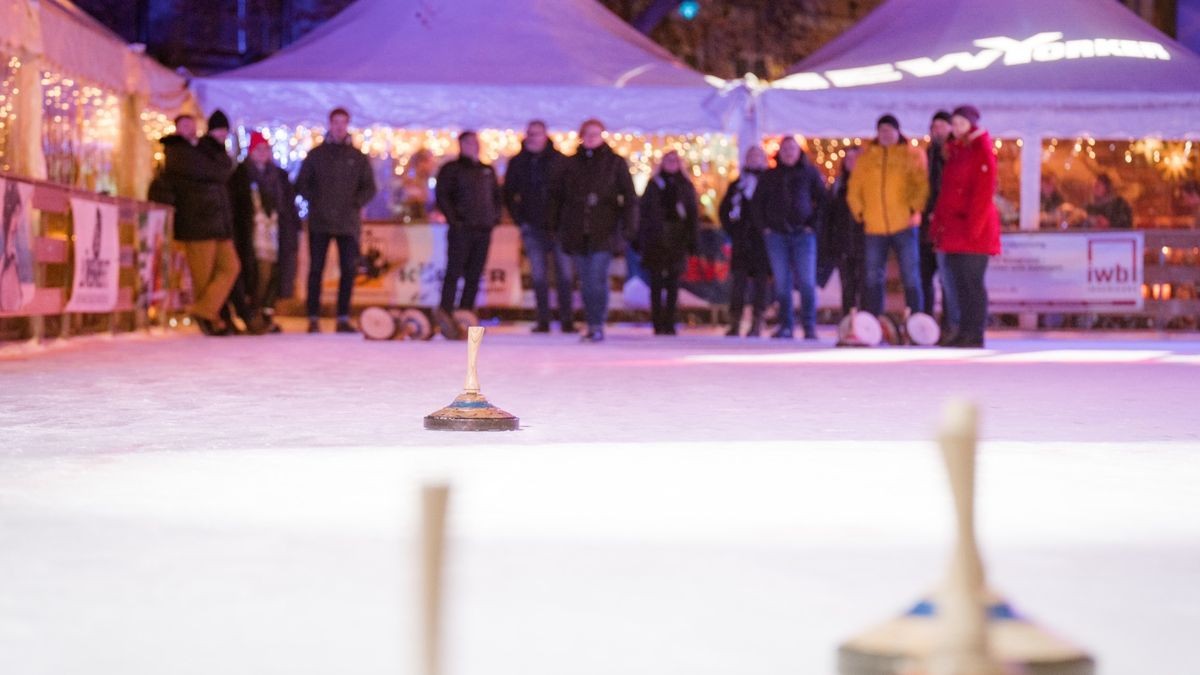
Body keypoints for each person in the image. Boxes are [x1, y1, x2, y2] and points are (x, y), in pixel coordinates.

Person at [547, 118, 638, 343]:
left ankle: (596, 323)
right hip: (576, 231)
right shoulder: (569, 164)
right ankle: (591, 322)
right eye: (587, 134)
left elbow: (629, 197)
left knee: (597, 278)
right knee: (586, 280)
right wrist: (555, 226)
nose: (591, 138)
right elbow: (556, 197)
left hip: (604, 231)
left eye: (596, 134)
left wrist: (627, 228)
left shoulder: (614, 163)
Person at [152, 113, 240, 335]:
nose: (189, 129)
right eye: (184, 125)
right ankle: (210, 319)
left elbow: (224, 168)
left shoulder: (204, 148)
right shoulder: (176, 152)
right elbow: (213, 171)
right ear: (176, 128)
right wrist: (214, 165)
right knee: (203, 276)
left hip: (218, 222)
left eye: (191, 124)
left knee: (230, 267)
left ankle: (204, 310)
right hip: (195, 222)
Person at [295, 107, 377, 334]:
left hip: (348, 223)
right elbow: (301, 183)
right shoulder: (316, 155)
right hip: (320, 221)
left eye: (343, 122)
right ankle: (313, 316)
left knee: (348, 270)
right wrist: (317, 201)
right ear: (330, 124)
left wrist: (355, 203)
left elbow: (369, 187)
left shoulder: (357, 157)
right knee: (316, 269)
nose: (340, 127)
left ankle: (342, 317)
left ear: (347, 125)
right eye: (336, 122)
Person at [848, 114, 929, 319]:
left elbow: (921, 185)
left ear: (897, 131)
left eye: (889, 130)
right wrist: (860, 212)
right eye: (881, 130)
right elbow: (854, 188)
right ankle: (873, 319)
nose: (885, 134)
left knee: (911, 275)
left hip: (904, 225)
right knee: (872, 275)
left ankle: (916, 319)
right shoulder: (866, 158)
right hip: (874, 227)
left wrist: (914, 208)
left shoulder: (911, 155)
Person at [932, 106, 1000, 349]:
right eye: (955, 123)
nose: (957, 127)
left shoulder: (981, 150)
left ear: (971, 124)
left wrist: (974, 228)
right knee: (958, 283)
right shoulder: (956, 151)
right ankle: (963, 331)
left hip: (973, 230)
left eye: (962, 123)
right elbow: (947, 193)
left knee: (971, 283)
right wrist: (939, 224)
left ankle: (974, 332)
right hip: (955, 229)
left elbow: (983, 193)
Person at [504, 121, 572, 333]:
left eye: (537, 134)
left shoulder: (560, 161)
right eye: (530, 134)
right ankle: (543, 319)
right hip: (533, 227)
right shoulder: (518, 162)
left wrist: (565, 219)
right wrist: (520, 219)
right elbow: (508, 194)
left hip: (559, 227)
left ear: (545, 136)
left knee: (565, 275)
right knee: (539, 276)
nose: (533, 138)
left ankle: (567, 320)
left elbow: (569, 194)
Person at [230, 131, 301, 333]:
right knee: (259, 274)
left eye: (266, 149)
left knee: (275, 275)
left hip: (277, 233)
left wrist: (294, 228)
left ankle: (267, 314)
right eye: (258, 149)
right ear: (251, 152)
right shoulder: (241, 175)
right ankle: (253, 313)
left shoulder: (279, 176)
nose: (263, 153)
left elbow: (289, 205)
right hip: (252, 235)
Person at [435, 130, 502, 338]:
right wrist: (455, 220)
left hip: (483, 228)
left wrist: (494, 218)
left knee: (474, 274)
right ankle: (445, 312)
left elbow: (496, 196)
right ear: (461, 145)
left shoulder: (487, 170)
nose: (474, 146)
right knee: (454, 271)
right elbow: (442, 196)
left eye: (475, 142)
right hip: (461, 229)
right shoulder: (451, 169)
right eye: (469, 142)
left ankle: (465, 313)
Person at [758, 136, 826, 340]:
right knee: (782, 283)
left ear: (799, 152)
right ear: (779, 152)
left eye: (792, 149)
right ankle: (786, 325)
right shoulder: (769, 176)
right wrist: (765, 227)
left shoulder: (809, 173)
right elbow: (757, 203)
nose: (788, 152)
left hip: (803, 235)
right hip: (776, 235)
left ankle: (809, 325)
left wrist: (812, 226)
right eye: (785, 149)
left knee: (807, 281)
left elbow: (823, 201)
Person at [636, 150, 699, 336]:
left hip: (677, 239)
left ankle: (670, 321)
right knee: (656, 282)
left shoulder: (685, 186)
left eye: (675, 160)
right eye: (668, 160)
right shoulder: (654, 185)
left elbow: (692, 215)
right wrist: (641, 237)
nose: (671, 164)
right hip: (655, 239)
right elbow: (644, 212)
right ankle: (657, 321)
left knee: (673, 282)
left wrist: (692, 240)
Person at [719, 146, 771, 337]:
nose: (754, 160)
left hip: (761, 241)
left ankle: (757, 321)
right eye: (750, 156)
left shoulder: (769, 182)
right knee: (738, 282)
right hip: (741, 239)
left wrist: (767, 228)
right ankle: (735, 321)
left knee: (760, 283)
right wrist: (733, 229)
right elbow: (724, 210)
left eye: (757, 156)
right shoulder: (737, 184)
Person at [922, 111, 956, 333]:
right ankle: (926, 324)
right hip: (928, 224)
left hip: (947, 223)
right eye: (934, 127)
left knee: (947, 278)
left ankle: (949, 325)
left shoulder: (955, 153)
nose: (937, 130)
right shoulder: (928, 154)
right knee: (925, 275)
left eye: (942, 126)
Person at [826, 146, 865, 315]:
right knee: (847, 285)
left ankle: (865, 321)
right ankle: (848, 319)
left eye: (855, 158)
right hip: (843, 242)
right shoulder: (838, 185)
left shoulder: (868, 184)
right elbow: (830, 215)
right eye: (848, 159)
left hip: (865, 241)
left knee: (864, 285)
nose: (851, 162)